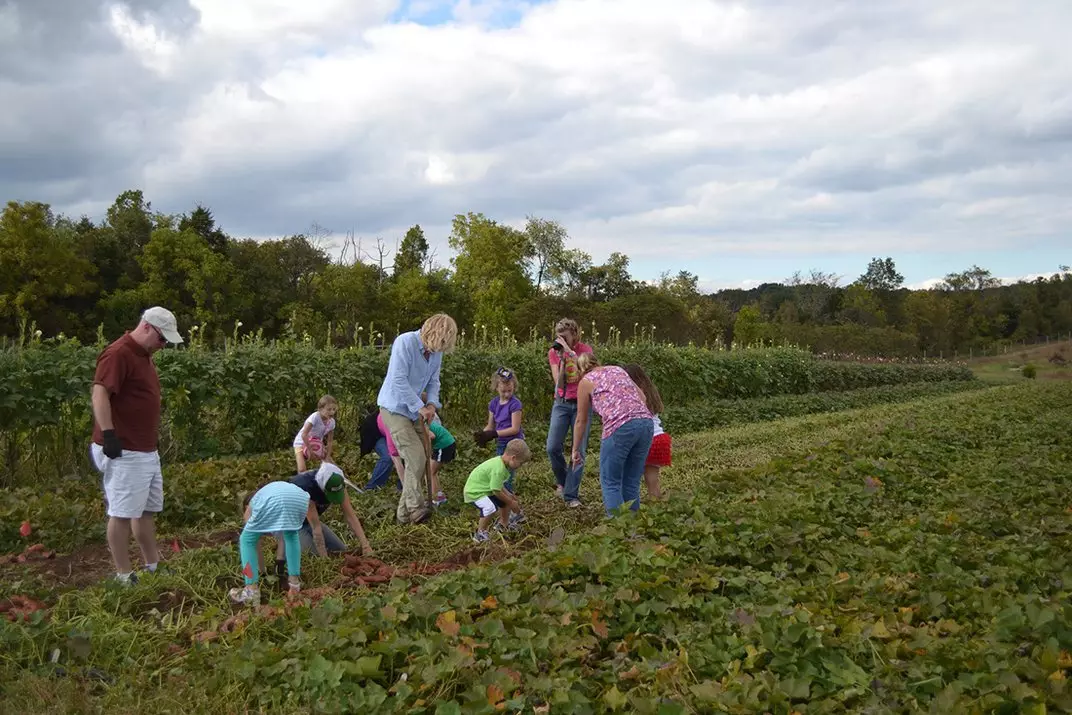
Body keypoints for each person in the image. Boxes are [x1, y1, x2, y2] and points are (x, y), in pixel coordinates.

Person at [90, 306, 183, 586]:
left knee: (145, 511)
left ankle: (153, 565)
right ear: (146, 328)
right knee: (121, 513)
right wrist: (109, 435)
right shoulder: (119, 353)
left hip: (145, 449)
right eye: (162, 339)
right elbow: (100, 394)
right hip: (124, 449)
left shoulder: (144, 354)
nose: (163, 346)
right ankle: (123, 575)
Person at [377, 314, 457, 525]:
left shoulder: (436, 353)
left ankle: (403, 516)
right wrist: (420, 407)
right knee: (415, 456)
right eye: (439, 342)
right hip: (394, 408)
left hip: (415, 411)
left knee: (421, 458)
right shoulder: (405, 342)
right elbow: (398, 380)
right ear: (431, 333)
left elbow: (434, 381)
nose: (439, 349)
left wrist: (431, 404)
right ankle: (415, 507)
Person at [572, 353, 654, 516]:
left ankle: (619, 532)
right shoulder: (618, 369)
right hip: (645, 423)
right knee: (631, 481)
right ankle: (635, 527)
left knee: (611, 481)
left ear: (580, 369)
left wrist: (575, 449)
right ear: (597, 362)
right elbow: (643, 397)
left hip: (619, 427)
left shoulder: (585, 382)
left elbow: (581, 420)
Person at [273, 462, 373, 580]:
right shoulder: (305, 489)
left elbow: (350, 516)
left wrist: (365, 545)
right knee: (314, 556)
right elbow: (316, 529)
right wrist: (325, 561)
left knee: (340, 551)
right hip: (288, 524)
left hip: (308, 521)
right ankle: (284, 550)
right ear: (323, 487)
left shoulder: (338, 482)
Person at [230, 480, 319, 606]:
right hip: (299, 498)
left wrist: (260, 571)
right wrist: (263, 570)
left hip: (284, 498)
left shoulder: (256, 503)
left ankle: (251, 590)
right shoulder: (266, 493)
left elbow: (254, 543)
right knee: (291, 535)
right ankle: (294, 584)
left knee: (246, 540)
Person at [545, 318, 594, 507]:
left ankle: (571, 495)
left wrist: (572, 354)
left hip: (581, 403)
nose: (561, 341)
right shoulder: (554, 353)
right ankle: (564, 482)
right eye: (559, 337)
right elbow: (558, 382)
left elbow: (587, 375)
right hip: (562, 402)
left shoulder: (585, 350)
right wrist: (563, 359)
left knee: (578, 450)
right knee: (552, 446)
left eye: (565, 337)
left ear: (574, 335)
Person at [464, 439, 531, 543]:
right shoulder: (499, 469)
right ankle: (480, 534)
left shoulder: (502, 464)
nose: (520, 466)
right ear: (513, 458)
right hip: (475, 492)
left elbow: (498, 486)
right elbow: (496, 491)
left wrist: (509, 495)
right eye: (520, 463)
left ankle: (503, 524)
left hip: (486, 488)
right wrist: (511, 502)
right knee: (490, 508)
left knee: (506, 499)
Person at [623, 364, 670, 500]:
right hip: (660, 437)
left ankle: (630, 510)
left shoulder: (633, 392)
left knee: (631, 480)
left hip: (646, 439)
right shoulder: (650, 391)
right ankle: (657, 507)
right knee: (653, 481)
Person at [474, 367, 524, 492]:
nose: (507, 394)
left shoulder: (515, 404)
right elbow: (490, 426)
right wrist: (482, 435)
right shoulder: (493, 404)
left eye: (509, 391)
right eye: (503, 391)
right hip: (501, 442)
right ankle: (503, 497)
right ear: (496, 388)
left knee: (506, 475)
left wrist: (494, 433)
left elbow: (514, 428)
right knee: (500, 472)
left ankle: (509, 501)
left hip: (513, 443)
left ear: (514, 387)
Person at [293, 395, 337, 472]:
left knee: (333, 467)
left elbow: (330, 441)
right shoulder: (314, 417)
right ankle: (300, 482)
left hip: (316, 443)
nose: (332, 412)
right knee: (302, 469)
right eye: (329, 409)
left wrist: (327, 456)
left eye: (334, 409)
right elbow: (304, 435)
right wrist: (310, 451)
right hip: (301, 443)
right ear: (320, 409)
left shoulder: (331, 422)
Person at [427, 420, 457, 506]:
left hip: (443, 445)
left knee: (430, 473)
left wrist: (428, 451)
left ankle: (435, 500)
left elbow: (431, 436)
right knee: (433, 472)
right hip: (447, 443)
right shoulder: (421, 418)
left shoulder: (417, 423)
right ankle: (440, 497)